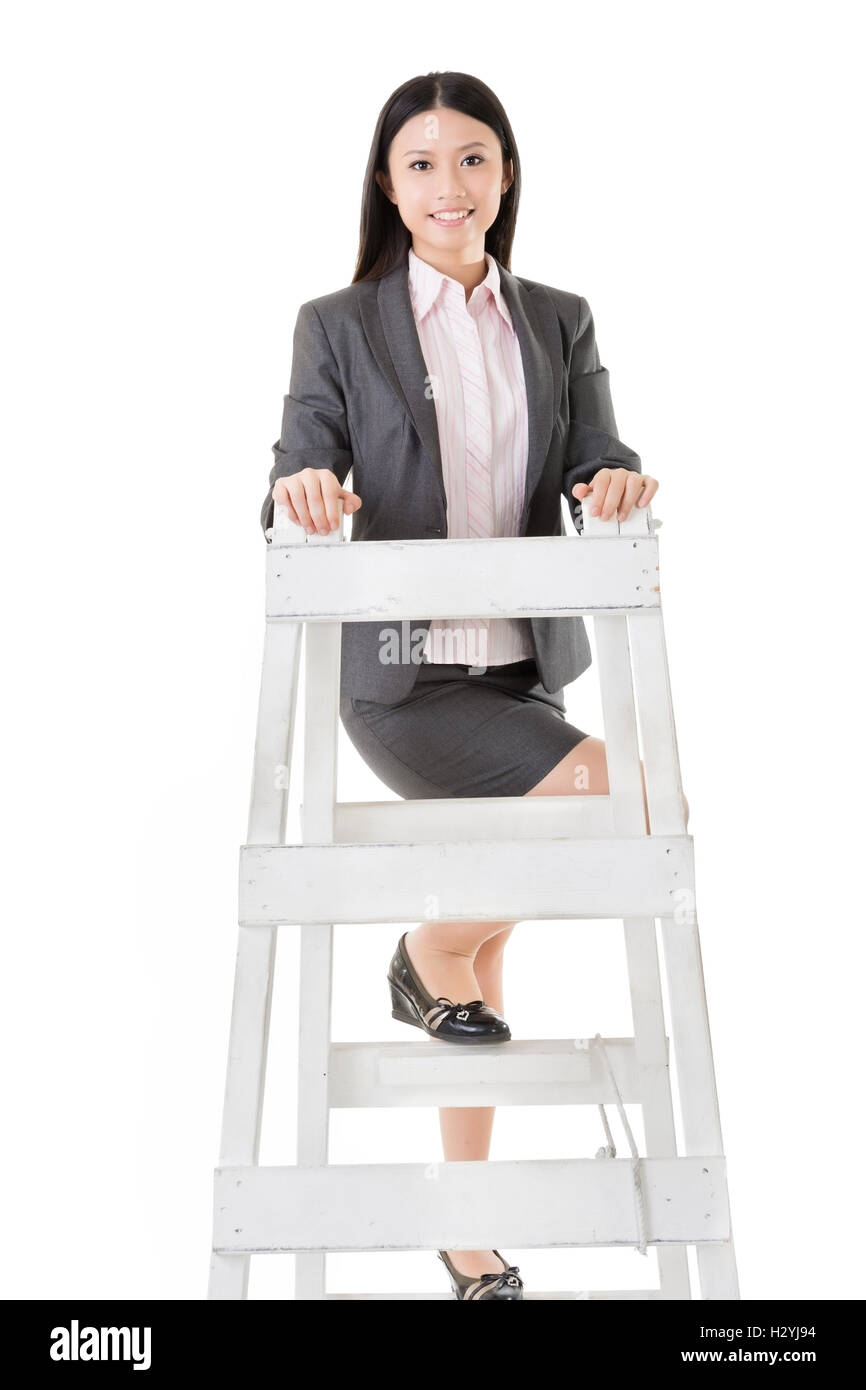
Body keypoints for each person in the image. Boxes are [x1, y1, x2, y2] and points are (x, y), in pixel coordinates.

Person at [261, 70, 685, 1301]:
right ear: (387, 189)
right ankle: (422, 949)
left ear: (503, 174)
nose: (450, 188)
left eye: (472, 160)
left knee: (486, 979)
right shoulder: (337, 324)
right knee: (617, 804)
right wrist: (304, 493)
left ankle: (467, 1236)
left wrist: (613, 480)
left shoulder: (557, 316)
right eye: (421, 165)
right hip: (402, 683)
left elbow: (597, 450)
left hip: (522, 672)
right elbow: (294, 466)